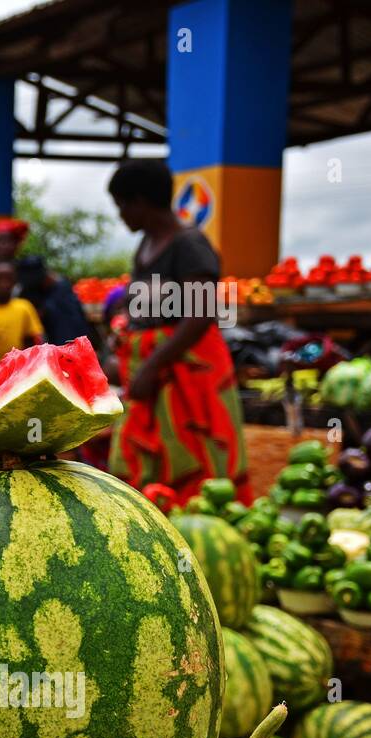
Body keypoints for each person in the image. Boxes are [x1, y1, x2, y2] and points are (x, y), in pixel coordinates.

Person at [105, 158, 250, 504]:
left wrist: (153, 364)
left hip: (188, 371)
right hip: (153, 369)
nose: (121, 215)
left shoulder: (189, 245)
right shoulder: (145, 247)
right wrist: (124, 327)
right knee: (147, 463)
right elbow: (143, 302)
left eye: (122, 205)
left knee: (196, 462)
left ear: (140, 201)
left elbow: (202, 314)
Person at [0, 218, 96, 353]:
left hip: (29, 331)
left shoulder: (31, 270)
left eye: (9, 241)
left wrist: (44, 309)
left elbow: (60, 287)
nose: (4, 246)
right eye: (0, 241)